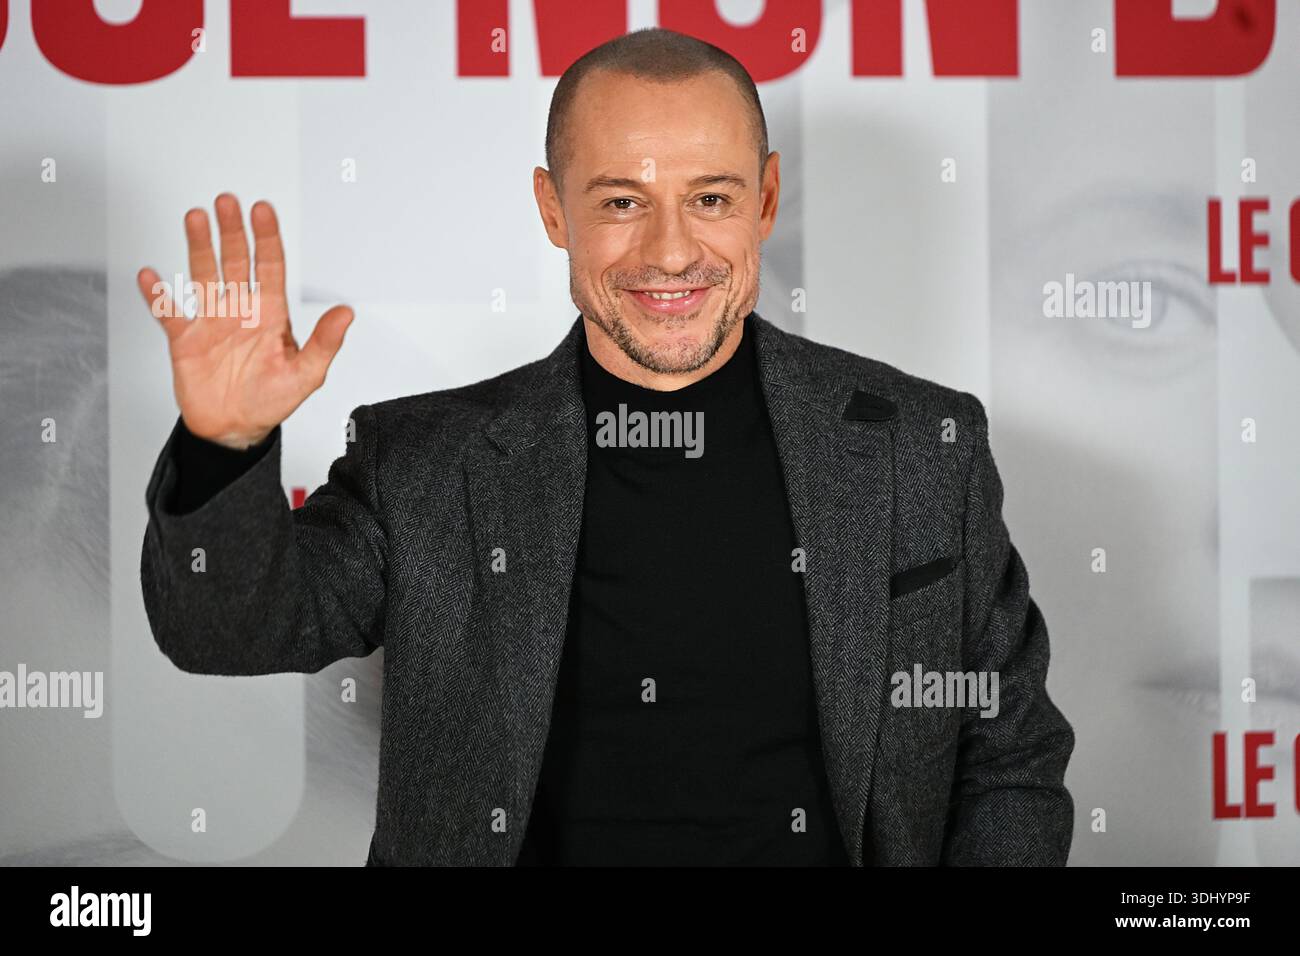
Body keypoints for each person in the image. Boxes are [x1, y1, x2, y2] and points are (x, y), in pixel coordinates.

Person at [136, 27, 1074, 866]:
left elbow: (1010, 756)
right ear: (554, 212)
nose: (671, 254)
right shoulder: (422, 462)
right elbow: (227, 630)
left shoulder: (922, 445)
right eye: (623, 202)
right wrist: (225, 443)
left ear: (766, 199)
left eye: (710, 197)